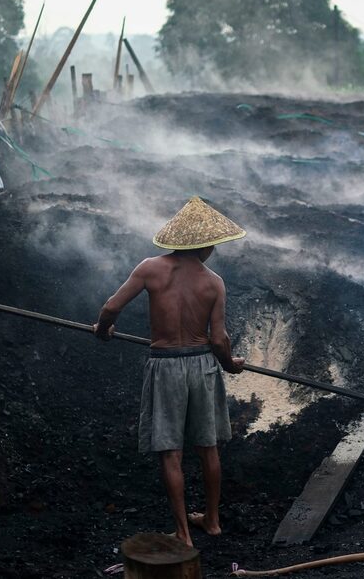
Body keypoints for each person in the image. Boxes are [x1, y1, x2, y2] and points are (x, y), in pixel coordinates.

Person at [93, 196, 247, 546]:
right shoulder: (214, 282)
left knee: (171, 452)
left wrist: (102, 331)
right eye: (213, 244)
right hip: (202, 366)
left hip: (165, 366)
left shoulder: (150, 268)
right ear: (204, 245)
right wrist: (230, 365)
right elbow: (219, 340)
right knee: (208, 447)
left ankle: (182, 533)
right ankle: (212, 521)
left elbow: (111, 307)